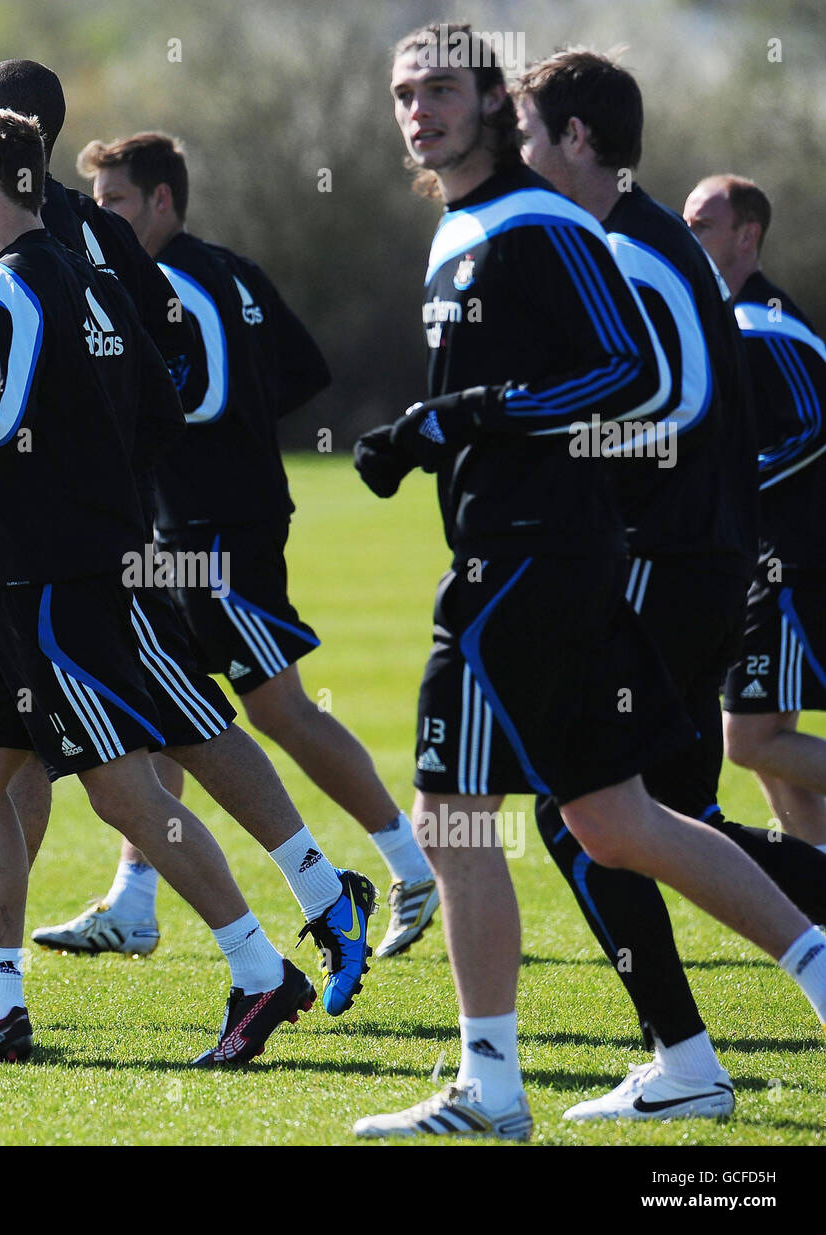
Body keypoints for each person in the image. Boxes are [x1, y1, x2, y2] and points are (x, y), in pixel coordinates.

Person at [350, 23, 826, 1140]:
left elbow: (633, 369)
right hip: (527, 552)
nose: (422, 110)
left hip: (533, 560)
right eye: (404, 92)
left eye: (445, 91)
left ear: (491, 101)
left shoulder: (540, 223)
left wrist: (464, 417)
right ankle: (718, 1031)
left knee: (453, 816)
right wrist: (434, 434)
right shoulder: (460, 230)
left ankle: (492, 1086)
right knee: (612, 819)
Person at [0, 60, 379, 1023]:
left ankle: (288, 924)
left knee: (154, 742)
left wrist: (73, 473)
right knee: (37, 755)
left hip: (76, 548)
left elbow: (83, 382)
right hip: (86, 534)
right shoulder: (96, 231)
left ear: (5, 139)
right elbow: (154, 379)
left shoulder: (34, 243)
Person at [514, 49, 826, 1122]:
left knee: (580, 812)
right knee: (671, 808)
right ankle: (687, 1057)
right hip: (696, 562)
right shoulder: (634, 240)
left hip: (665, 563)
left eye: (528, 134)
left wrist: (539, 452)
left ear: (579, 142)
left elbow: (674, 406)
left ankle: (688, 1061)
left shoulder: (627, 250)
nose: (516, 154)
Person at [63, 128, 437, 961]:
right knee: (170, 708)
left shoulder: (164, 281)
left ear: (162, 199)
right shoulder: (232, 269)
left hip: (215, 532)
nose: (103, 220)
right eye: (97, 206)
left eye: (115, 202)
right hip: (197, 525)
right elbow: (300, 372)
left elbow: (195, 398)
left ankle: (413, 866)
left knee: (279, 710)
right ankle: (134, 899)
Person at [684, 175, 826, 851]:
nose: (689, 238)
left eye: (702, 226)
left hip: (798, 560)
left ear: (747, 234)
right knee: (760, 733)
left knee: (748, 738)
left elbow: (811, 426)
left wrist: (727, 489)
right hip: (764, 561)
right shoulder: (728, 320)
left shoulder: (761, 323)